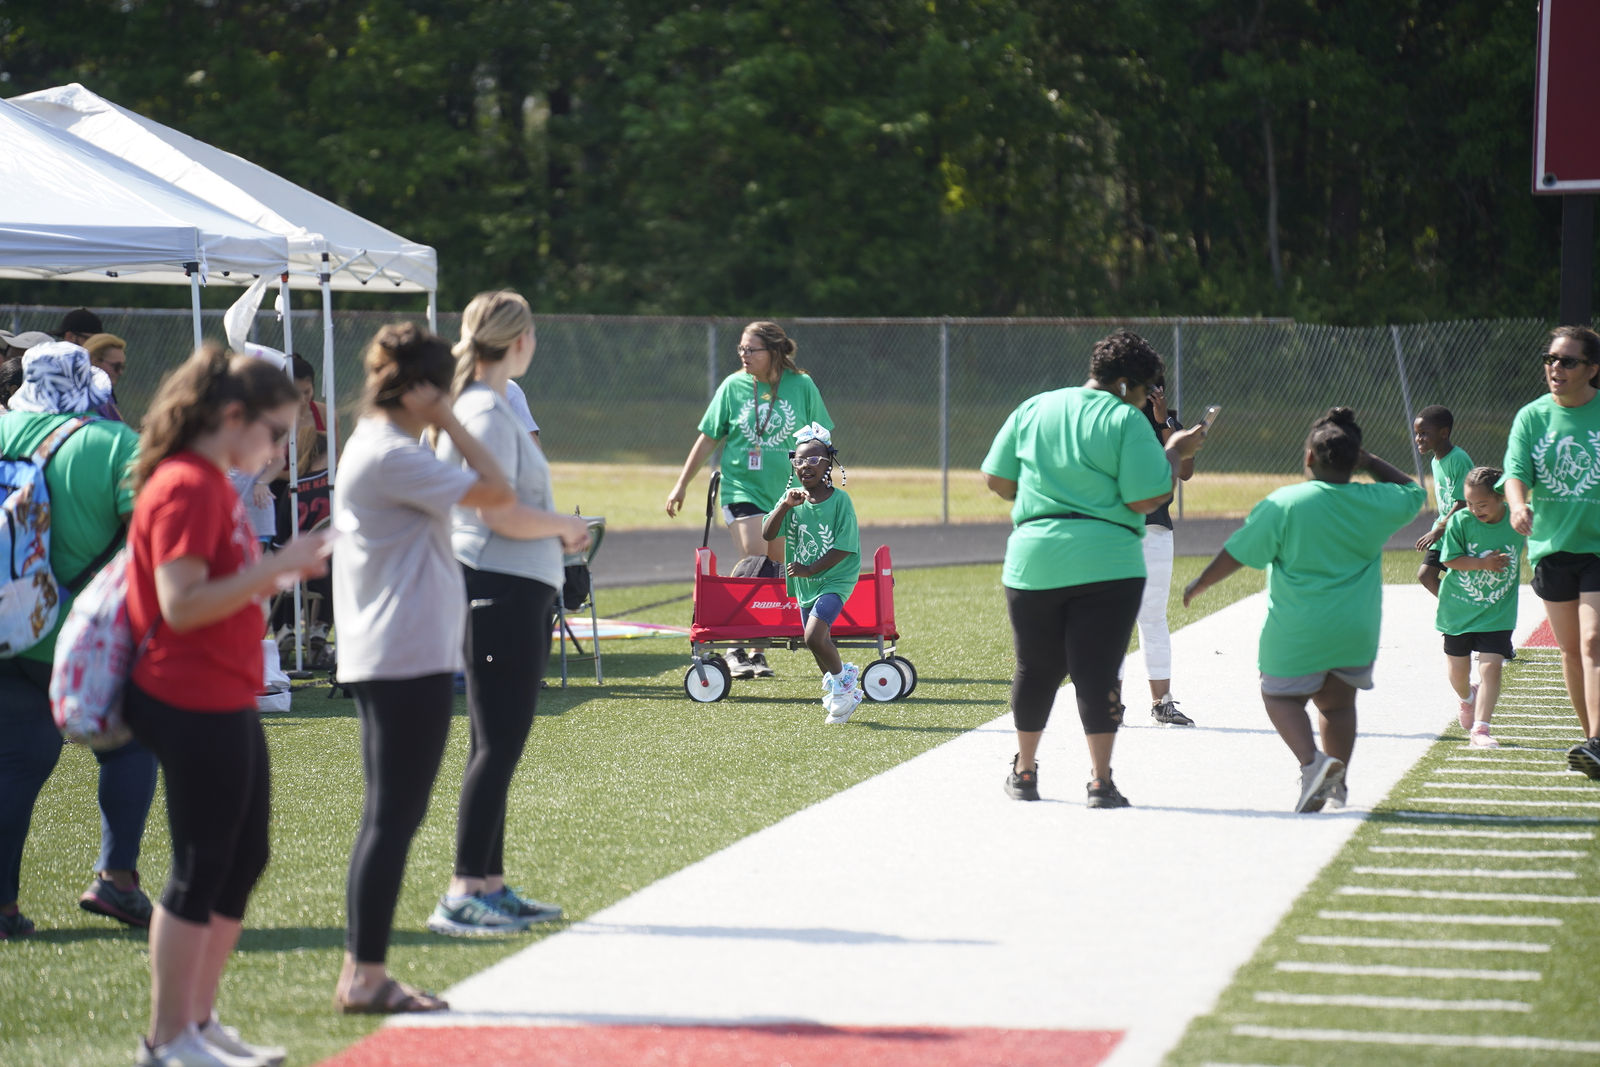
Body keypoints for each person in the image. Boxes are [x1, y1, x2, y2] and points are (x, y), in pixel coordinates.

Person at [124, 344, 331, 1066]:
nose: (281, 448)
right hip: (187, 691)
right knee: (202, 861)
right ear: (233, 416)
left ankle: (199, 1022)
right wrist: (279, 566)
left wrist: (275, 570)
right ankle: (167, 1035)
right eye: (276, 431)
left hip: (225, 689)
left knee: (242, 857)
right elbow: (181, 604)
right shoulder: (187, 483)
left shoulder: (215, 480)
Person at [332, 322, 525, 1011]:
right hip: (400, 655)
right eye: (442, 390)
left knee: (391, 816)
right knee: (391, 818)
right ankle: (366, 975)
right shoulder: (392, 455)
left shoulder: (383, 446)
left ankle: (364, 970)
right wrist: (448, 416)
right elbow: (497, 489)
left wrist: (436, 413)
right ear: (421, 389)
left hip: (397, 651)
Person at [982, 330, 1206, 807]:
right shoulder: (1125, 419)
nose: (1146, 400)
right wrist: (1173, 454)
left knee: (1034, 668)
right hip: (1109, 561)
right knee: (1098, 671)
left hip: (1034, 558)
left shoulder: (1035, 407)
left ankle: (1024, 773)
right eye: (1145, 390)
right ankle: (1101, 782)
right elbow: (1147, 497)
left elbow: (997, 480)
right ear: (1126, 385)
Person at [428, 291, 590, 937]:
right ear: (518, 341)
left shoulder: (487, 406)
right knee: (496, 745)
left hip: (509, 586)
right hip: (499, 588)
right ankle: (464, 888)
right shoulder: (486, 412)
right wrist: (565, 526)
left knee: (497, 742)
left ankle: (488, 884)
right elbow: (497, 513)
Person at [1184, 408, 1424, 812]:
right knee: (1338, 705)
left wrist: (1202, 582)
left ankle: (1313, 765)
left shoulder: (1286, 503)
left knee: (1279, 696)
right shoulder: (1375, 501)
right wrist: (1370, 462)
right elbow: (1414, 491)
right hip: (1355, 630)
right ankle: (1337, 780)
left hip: (1298, 630)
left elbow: (1238, 551)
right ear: (1354, 460)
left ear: (1310, 457)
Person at [0, 342, 154, 940]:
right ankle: (117, 877)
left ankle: (5, 907)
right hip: (72, 634)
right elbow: (155, 538)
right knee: (129, 741)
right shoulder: (114, 444)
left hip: (5, 631)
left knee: (14, 766)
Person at [666, 321, 833, 681]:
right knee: (757, 552)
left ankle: (756, 651)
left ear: (773, 351)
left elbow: (822, 436)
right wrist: (681, 484)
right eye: (741, 349)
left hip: (789, 494)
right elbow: (708, 438)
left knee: (776, 565)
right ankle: (732, 642)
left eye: (751, 349)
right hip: (742, 489)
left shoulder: (801, 386)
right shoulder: (733, 386)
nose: (743, 355)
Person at [1502, 325, 1600, 779]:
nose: (1555, 368)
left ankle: (1598, 739)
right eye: (1550, 359)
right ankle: (1592, 740)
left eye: (1568, 361)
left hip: (1598, 548)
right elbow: (1516, 470)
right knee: (1569, 651)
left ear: (1592, 369)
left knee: (1593, 641)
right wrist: (1519, 504)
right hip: (1552, 548)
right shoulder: (1532, 416)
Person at [761, 423, 862, 724]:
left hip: (835, 580)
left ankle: (845, 688)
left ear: (828, 463)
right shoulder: (792, 502)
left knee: (814, 636)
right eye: (800, 460)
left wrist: (809, 569)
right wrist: (783, 506)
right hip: (806, 585)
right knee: (817, 644)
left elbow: (844, 547)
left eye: (815, 460)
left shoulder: (841, 502)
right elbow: (768, 534)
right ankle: (840, 690)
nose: (806, 466)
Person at [1436, 467, 1524, 749]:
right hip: (1458, 610)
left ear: (1501, 497)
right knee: (1458, 674)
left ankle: (1481, 729)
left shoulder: (1518, 515)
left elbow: (1550, 520)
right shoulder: (1461, 520)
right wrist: (1483, 564)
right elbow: (1450, 559)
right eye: (1470, 503)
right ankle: (1467, 698)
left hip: (1497, 612)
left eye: (1482, 504)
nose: (1474, 510)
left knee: (1491, 668)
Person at [1133, 378, 1197, 726]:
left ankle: (1162, 702)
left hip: (1155, 527)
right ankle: (1109, 706)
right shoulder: (1112, 416)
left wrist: (1163, 421)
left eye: (1156, 386)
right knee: (1113, 619)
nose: (1152, 392)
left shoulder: (1167, 421)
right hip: (1117, 528)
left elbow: (1185, 470)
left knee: (1154, 617)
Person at [1413, 405, 1472, 597]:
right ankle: (1455, 611)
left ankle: (1468, 612)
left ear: (1444, 433)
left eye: (1424, 433)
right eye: (1417, 433)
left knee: (1465, 579)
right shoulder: (1435, 461)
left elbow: (1464, 502)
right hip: (1444, 527)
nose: (1418, 439)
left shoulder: (1458, 459)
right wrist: (1439, 528)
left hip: (1460, 528)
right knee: (1426, 575)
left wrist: (1438, 529)